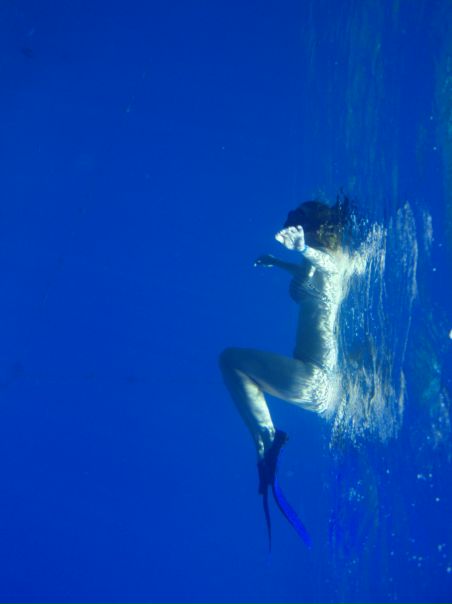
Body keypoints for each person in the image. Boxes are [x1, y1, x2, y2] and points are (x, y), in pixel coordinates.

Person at [219, 198, 356, 547]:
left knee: (231, 360)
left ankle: (267, 441)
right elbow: (310, 275)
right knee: (231, 361)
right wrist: (280, 262)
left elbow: (329, 266)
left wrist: (303, 250)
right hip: (315, 379)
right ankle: (266, 444)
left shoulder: (334, 260)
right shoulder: (314, 263)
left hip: (316, 376)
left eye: (302, 221)